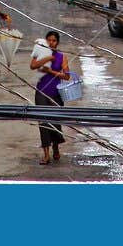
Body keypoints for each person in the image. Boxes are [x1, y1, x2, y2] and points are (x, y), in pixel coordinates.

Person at [31, 31, 70, 165]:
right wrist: (47, 59)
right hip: (41, 91)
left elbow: (67, 76)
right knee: (43, 122)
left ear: (57, 42)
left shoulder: (61, 56)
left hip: (56, 92)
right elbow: (33, 65)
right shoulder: (40, 52)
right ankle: (46, 154)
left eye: (54, 41)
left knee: (55, 121)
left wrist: (51, 71)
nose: (51, 43)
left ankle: (56, 147)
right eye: (49, 40)